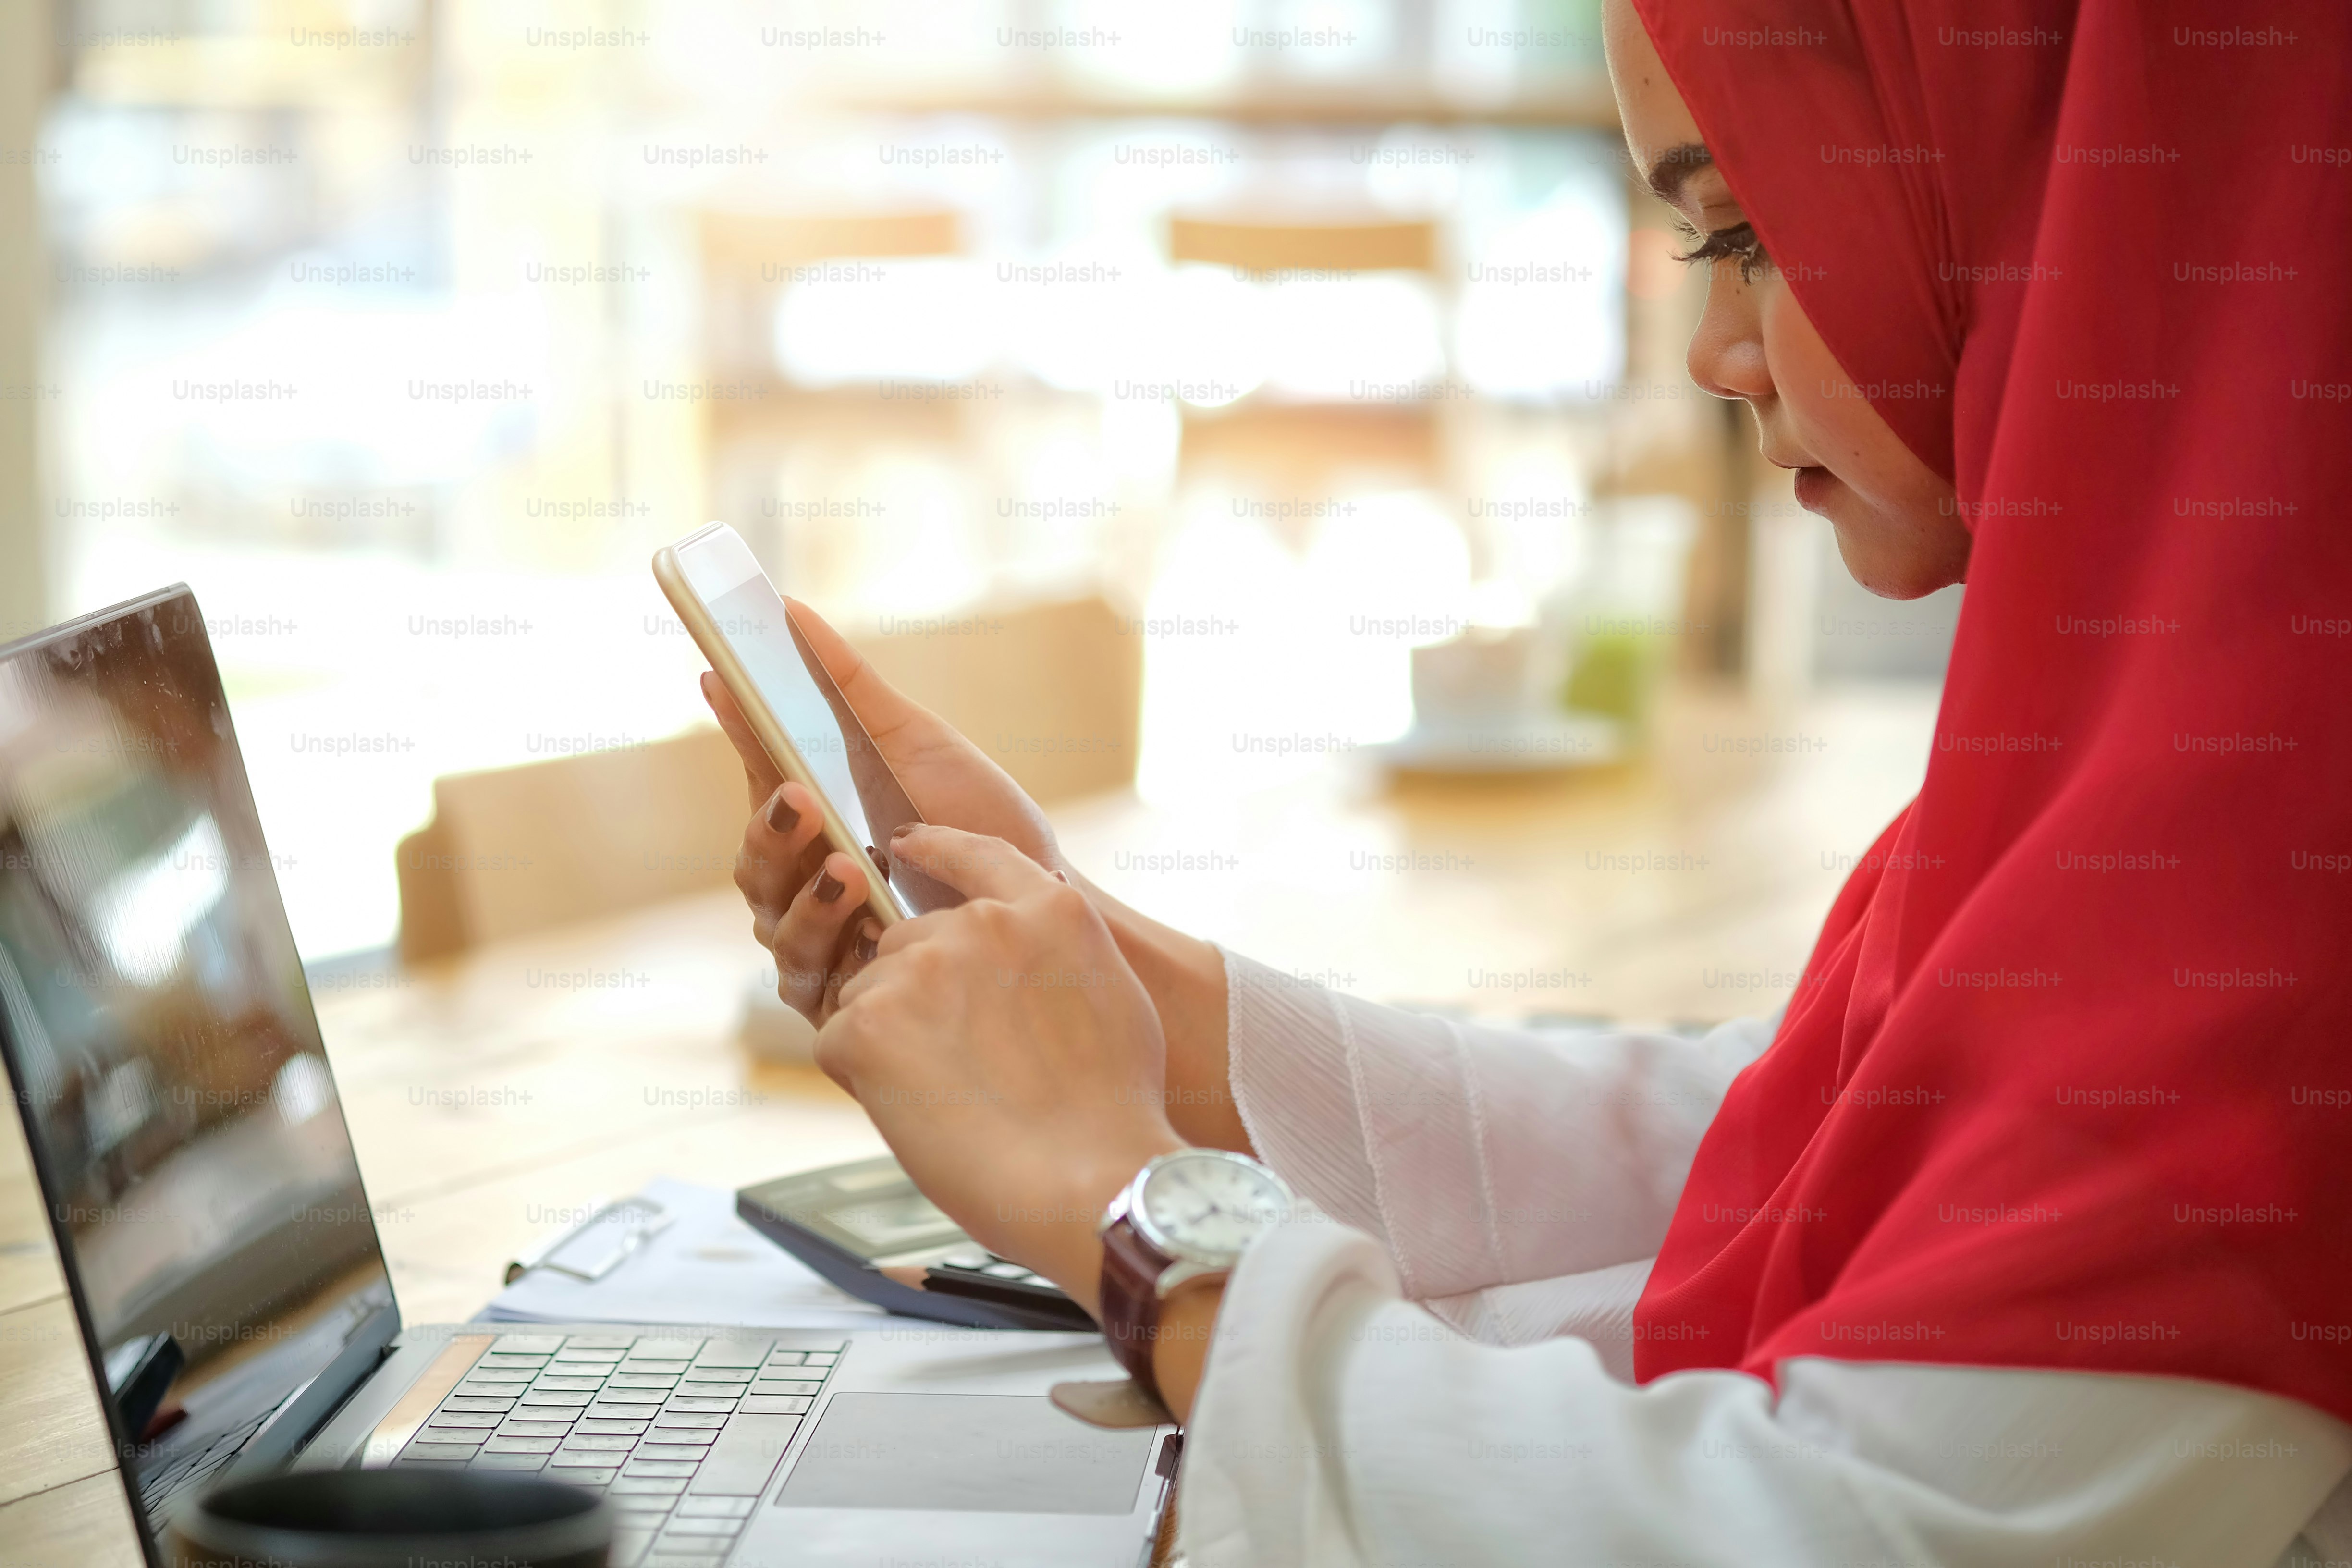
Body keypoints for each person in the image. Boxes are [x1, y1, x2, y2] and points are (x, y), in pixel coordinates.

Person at [702, 0, 2352, 1560]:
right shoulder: (2195, 745)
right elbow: (1759, 1136)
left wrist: (1126, 1205)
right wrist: (1102, 978)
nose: (1717, 353)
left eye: (1745, 236)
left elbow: (1801, 1535)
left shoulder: (2254, 871)